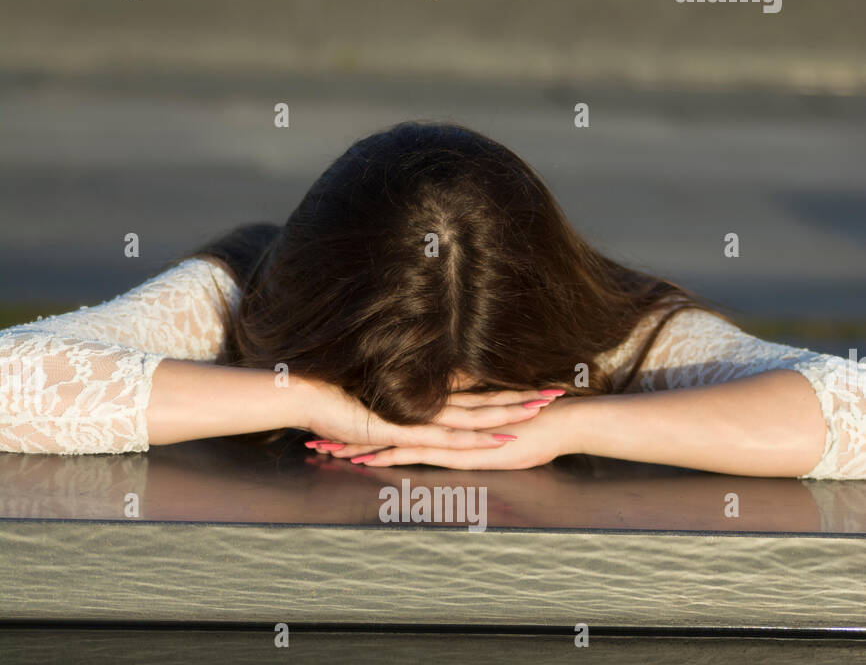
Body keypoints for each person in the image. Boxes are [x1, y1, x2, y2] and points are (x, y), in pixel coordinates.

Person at [1, 122, 862, 477]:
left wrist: (566, 425)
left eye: (475, 404)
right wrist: (309, 396)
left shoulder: (605, 333)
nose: (436, 442)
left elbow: (852, 410)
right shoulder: (239, 295)